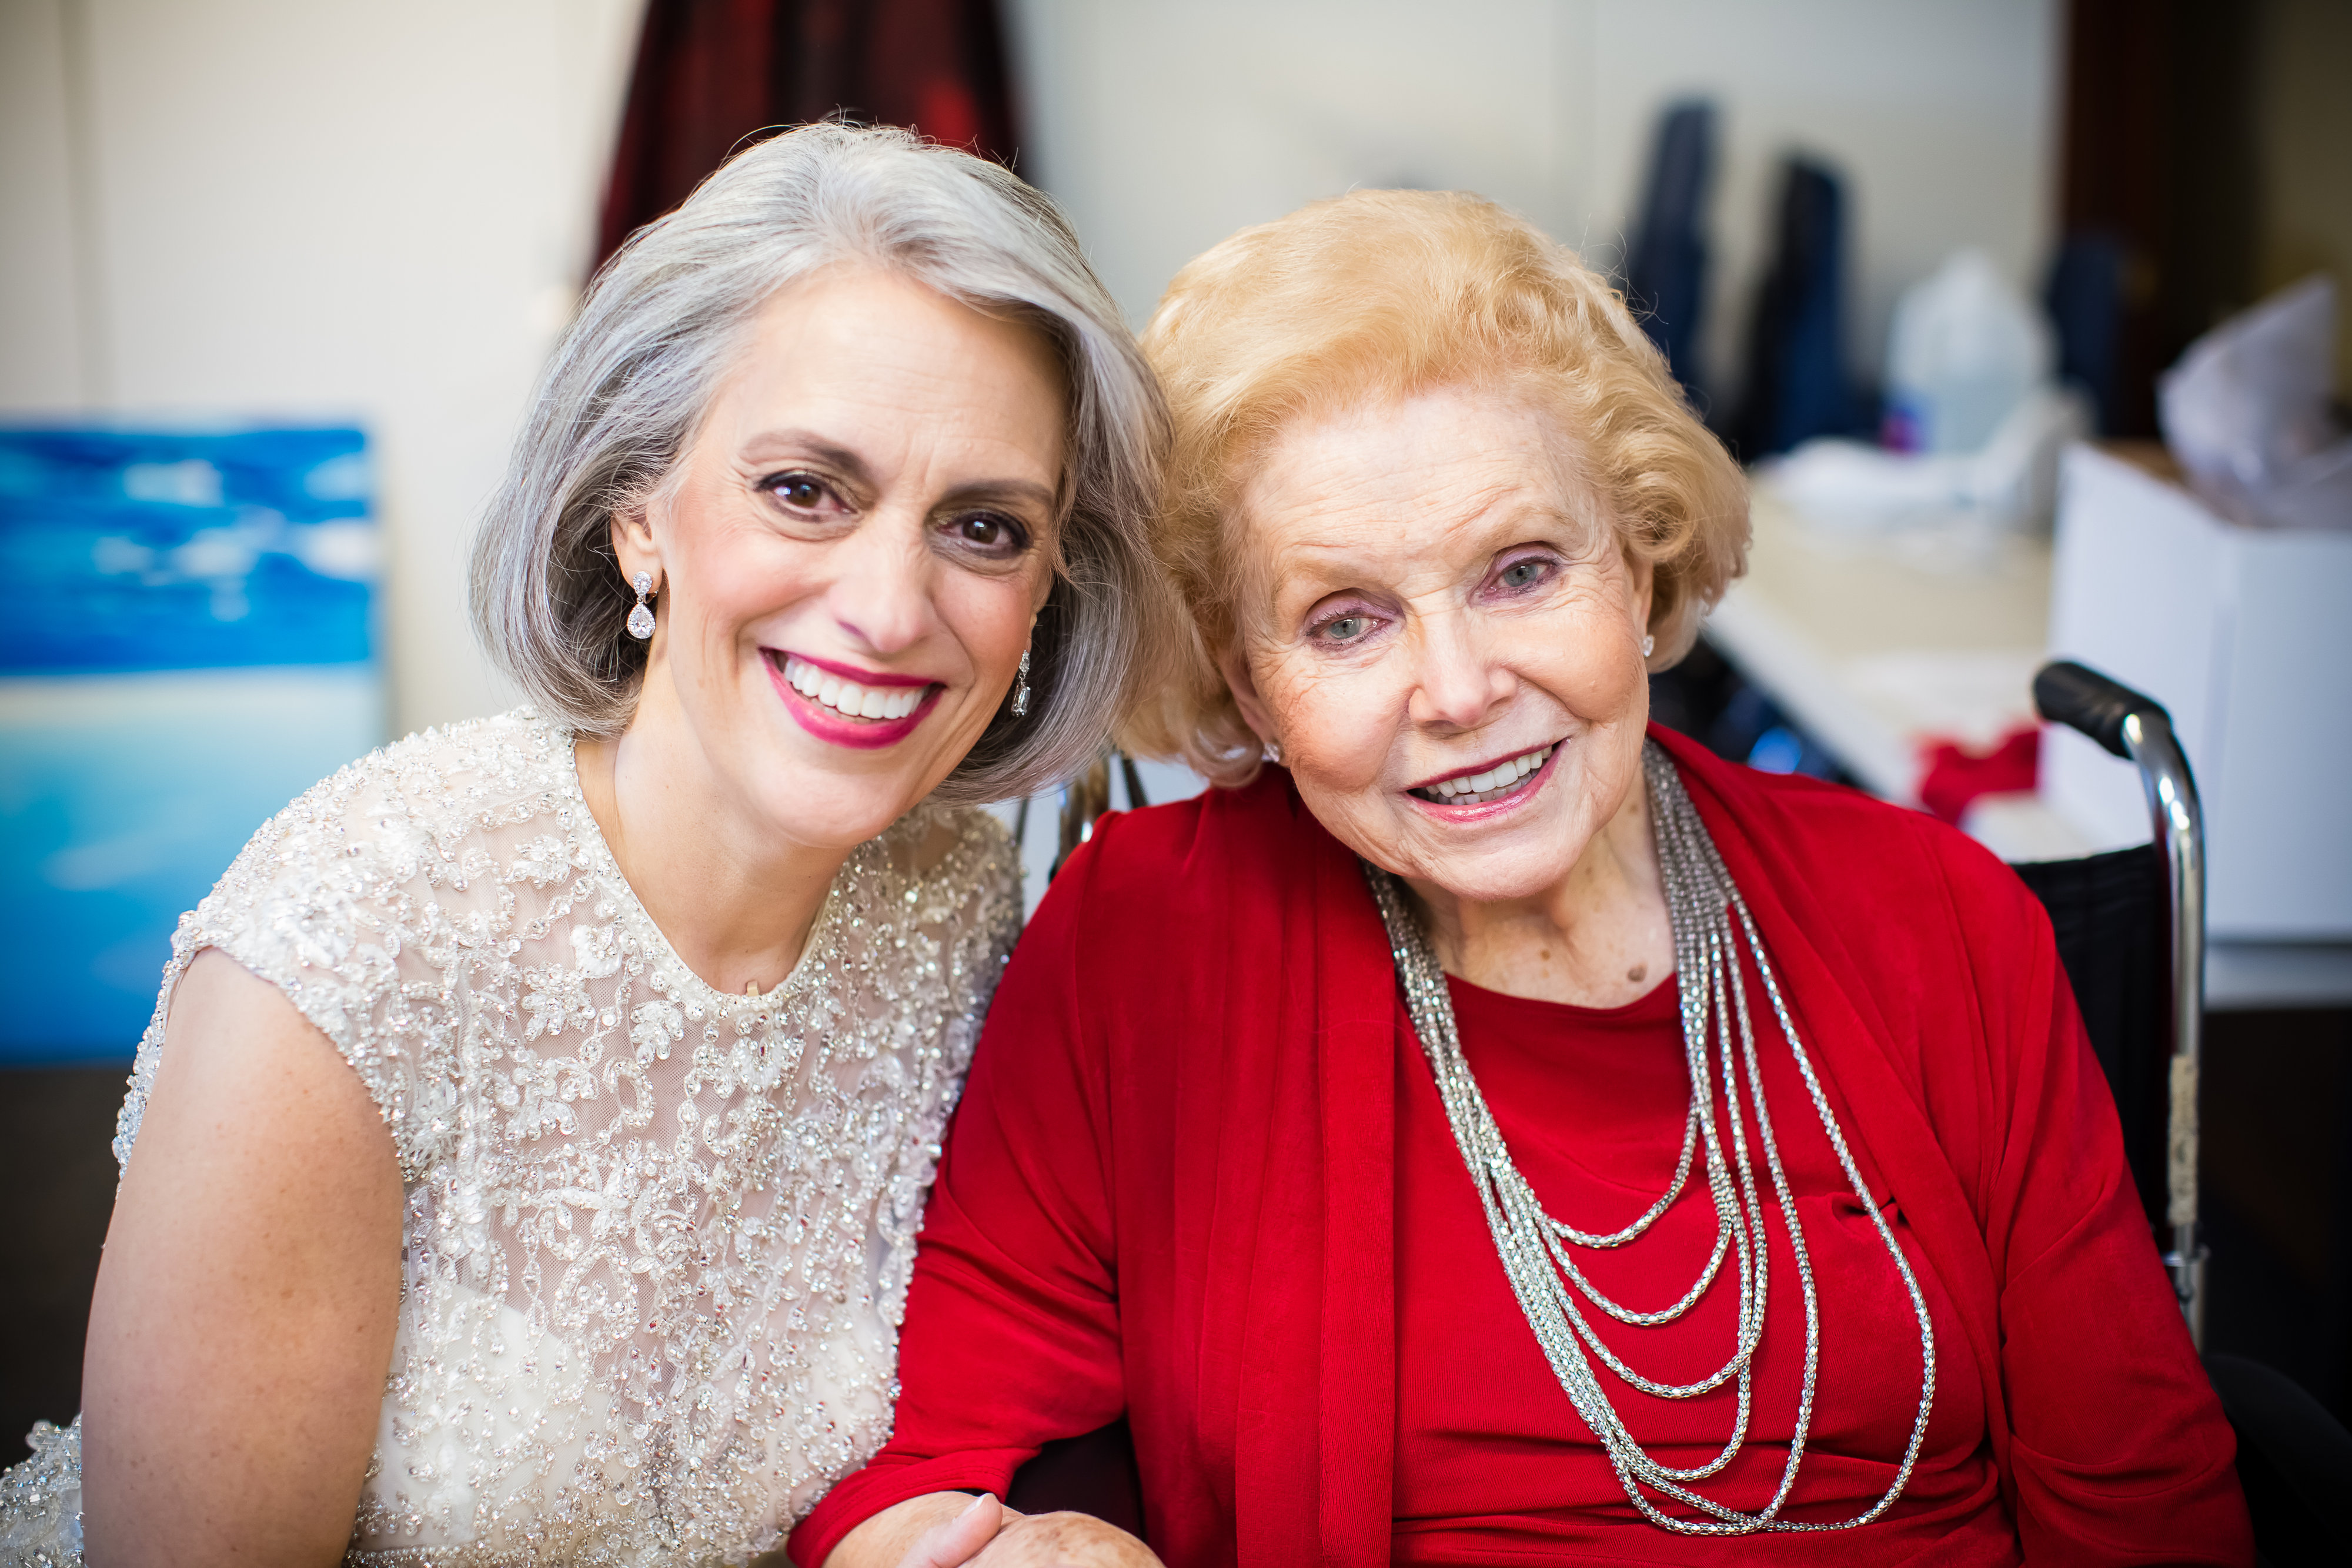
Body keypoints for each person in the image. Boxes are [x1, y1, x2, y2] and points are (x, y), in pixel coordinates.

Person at [791, 191, 2253, 1567]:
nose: (1457, 689)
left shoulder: (1936, 917)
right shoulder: (1143, 942)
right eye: (1345, 620)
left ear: (1640, 557)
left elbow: (2142, 1500)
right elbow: (918, 1470)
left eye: (1521, 571)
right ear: (1242, 679)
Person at [0, 122, 1172, 1567]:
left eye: (983, 526)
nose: (888, 606)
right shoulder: (356, 934)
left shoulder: (970, 919)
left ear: (1049, 588)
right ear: (636, 514)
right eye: (805, 489)